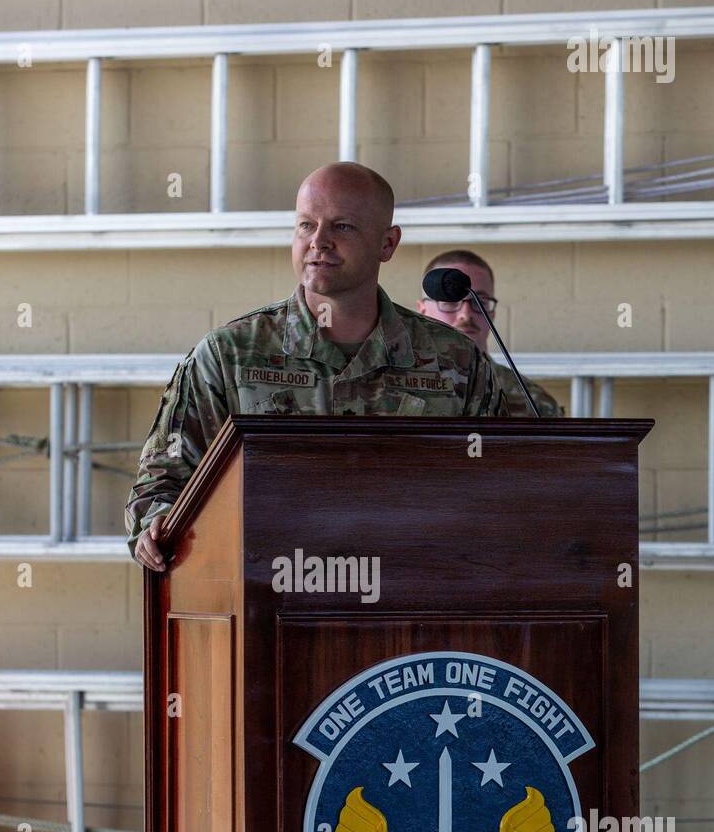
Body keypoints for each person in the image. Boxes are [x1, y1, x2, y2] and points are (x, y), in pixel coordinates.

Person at [126, 163, 517, 571]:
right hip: (268, 595)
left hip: (411, 597)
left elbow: (501, 488)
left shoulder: (454, 361)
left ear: (387, 243)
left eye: (342, 226)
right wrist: (157, 525)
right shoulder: (230, 356)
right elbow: (160, 484)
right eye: (305, 225)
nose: (319, 242)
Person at [417, 248, 563, 418]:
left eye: (480, 301)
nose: (466, 313)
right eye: (451, 301)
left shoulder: (533, 400)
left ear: (492, 313)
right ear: (423, 310)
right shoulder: (395, 383)